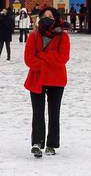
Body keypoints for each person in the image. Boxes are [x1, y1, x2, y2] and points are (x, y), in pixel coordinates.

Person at [24, 8, 70, 158]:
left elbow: (63, 58)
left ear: (56, 18)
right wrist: (50, 59)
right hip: (37, 79)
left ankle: (51, 144)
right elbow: (29, 59)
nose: (47, 18)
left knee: (54, 113)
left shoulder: (63, 37)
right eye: (44, 16)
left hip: (56, 80)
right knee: (37, 112)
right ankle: (37, 143)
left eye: (50, 16)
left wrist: (42, 55)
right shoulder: (33, 36)